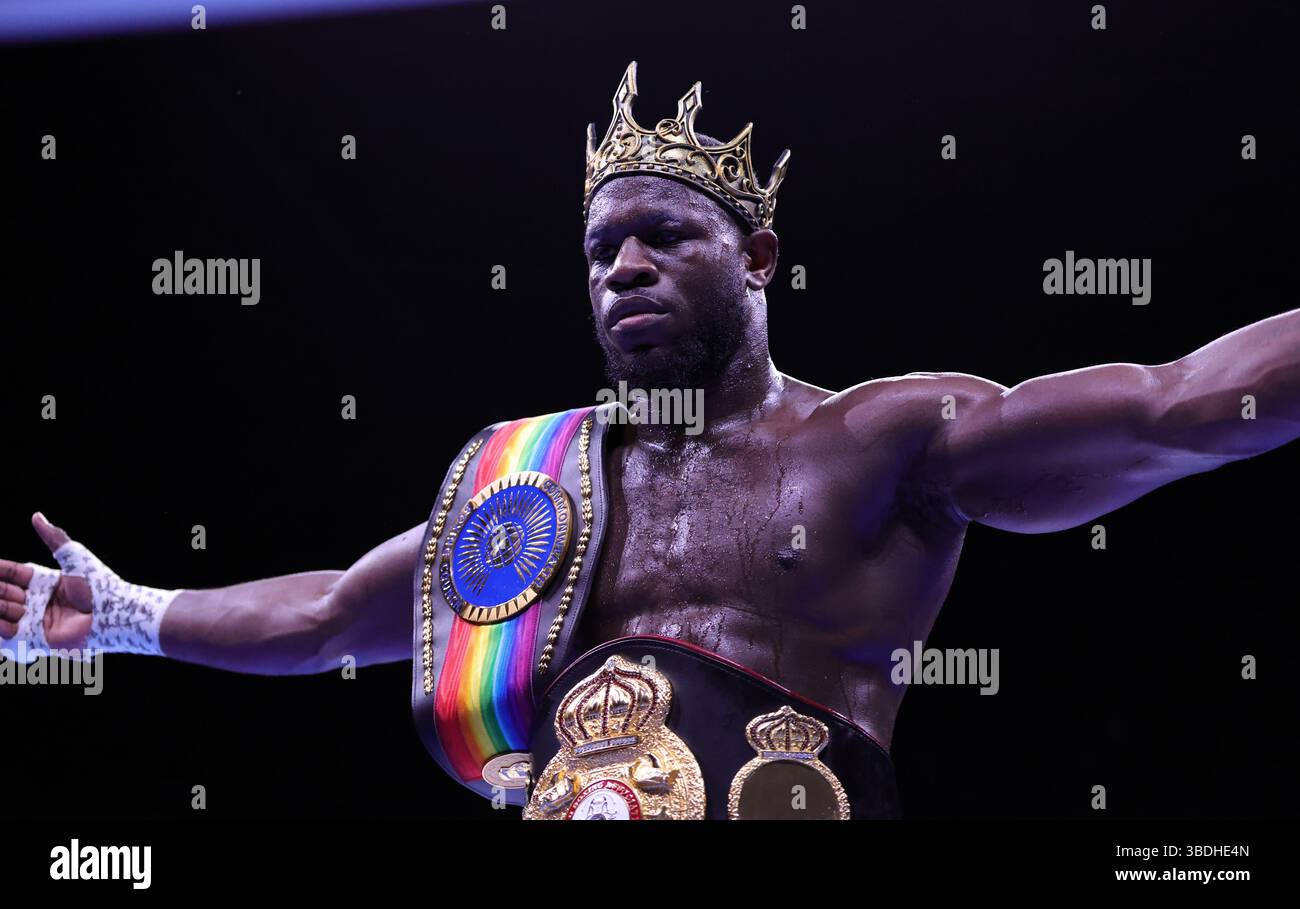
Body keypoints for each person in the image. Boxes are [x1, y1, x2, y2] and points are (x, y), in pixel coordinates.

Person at [4, 62, 1299, 818]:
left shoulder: (882, 440)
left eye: (665, 236)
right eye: (597, 249)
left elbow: (1175, 403)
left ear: (761, 257)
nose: (623, 265)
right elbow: (331, 614)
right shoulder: (528, 493)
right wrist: (125, 615)